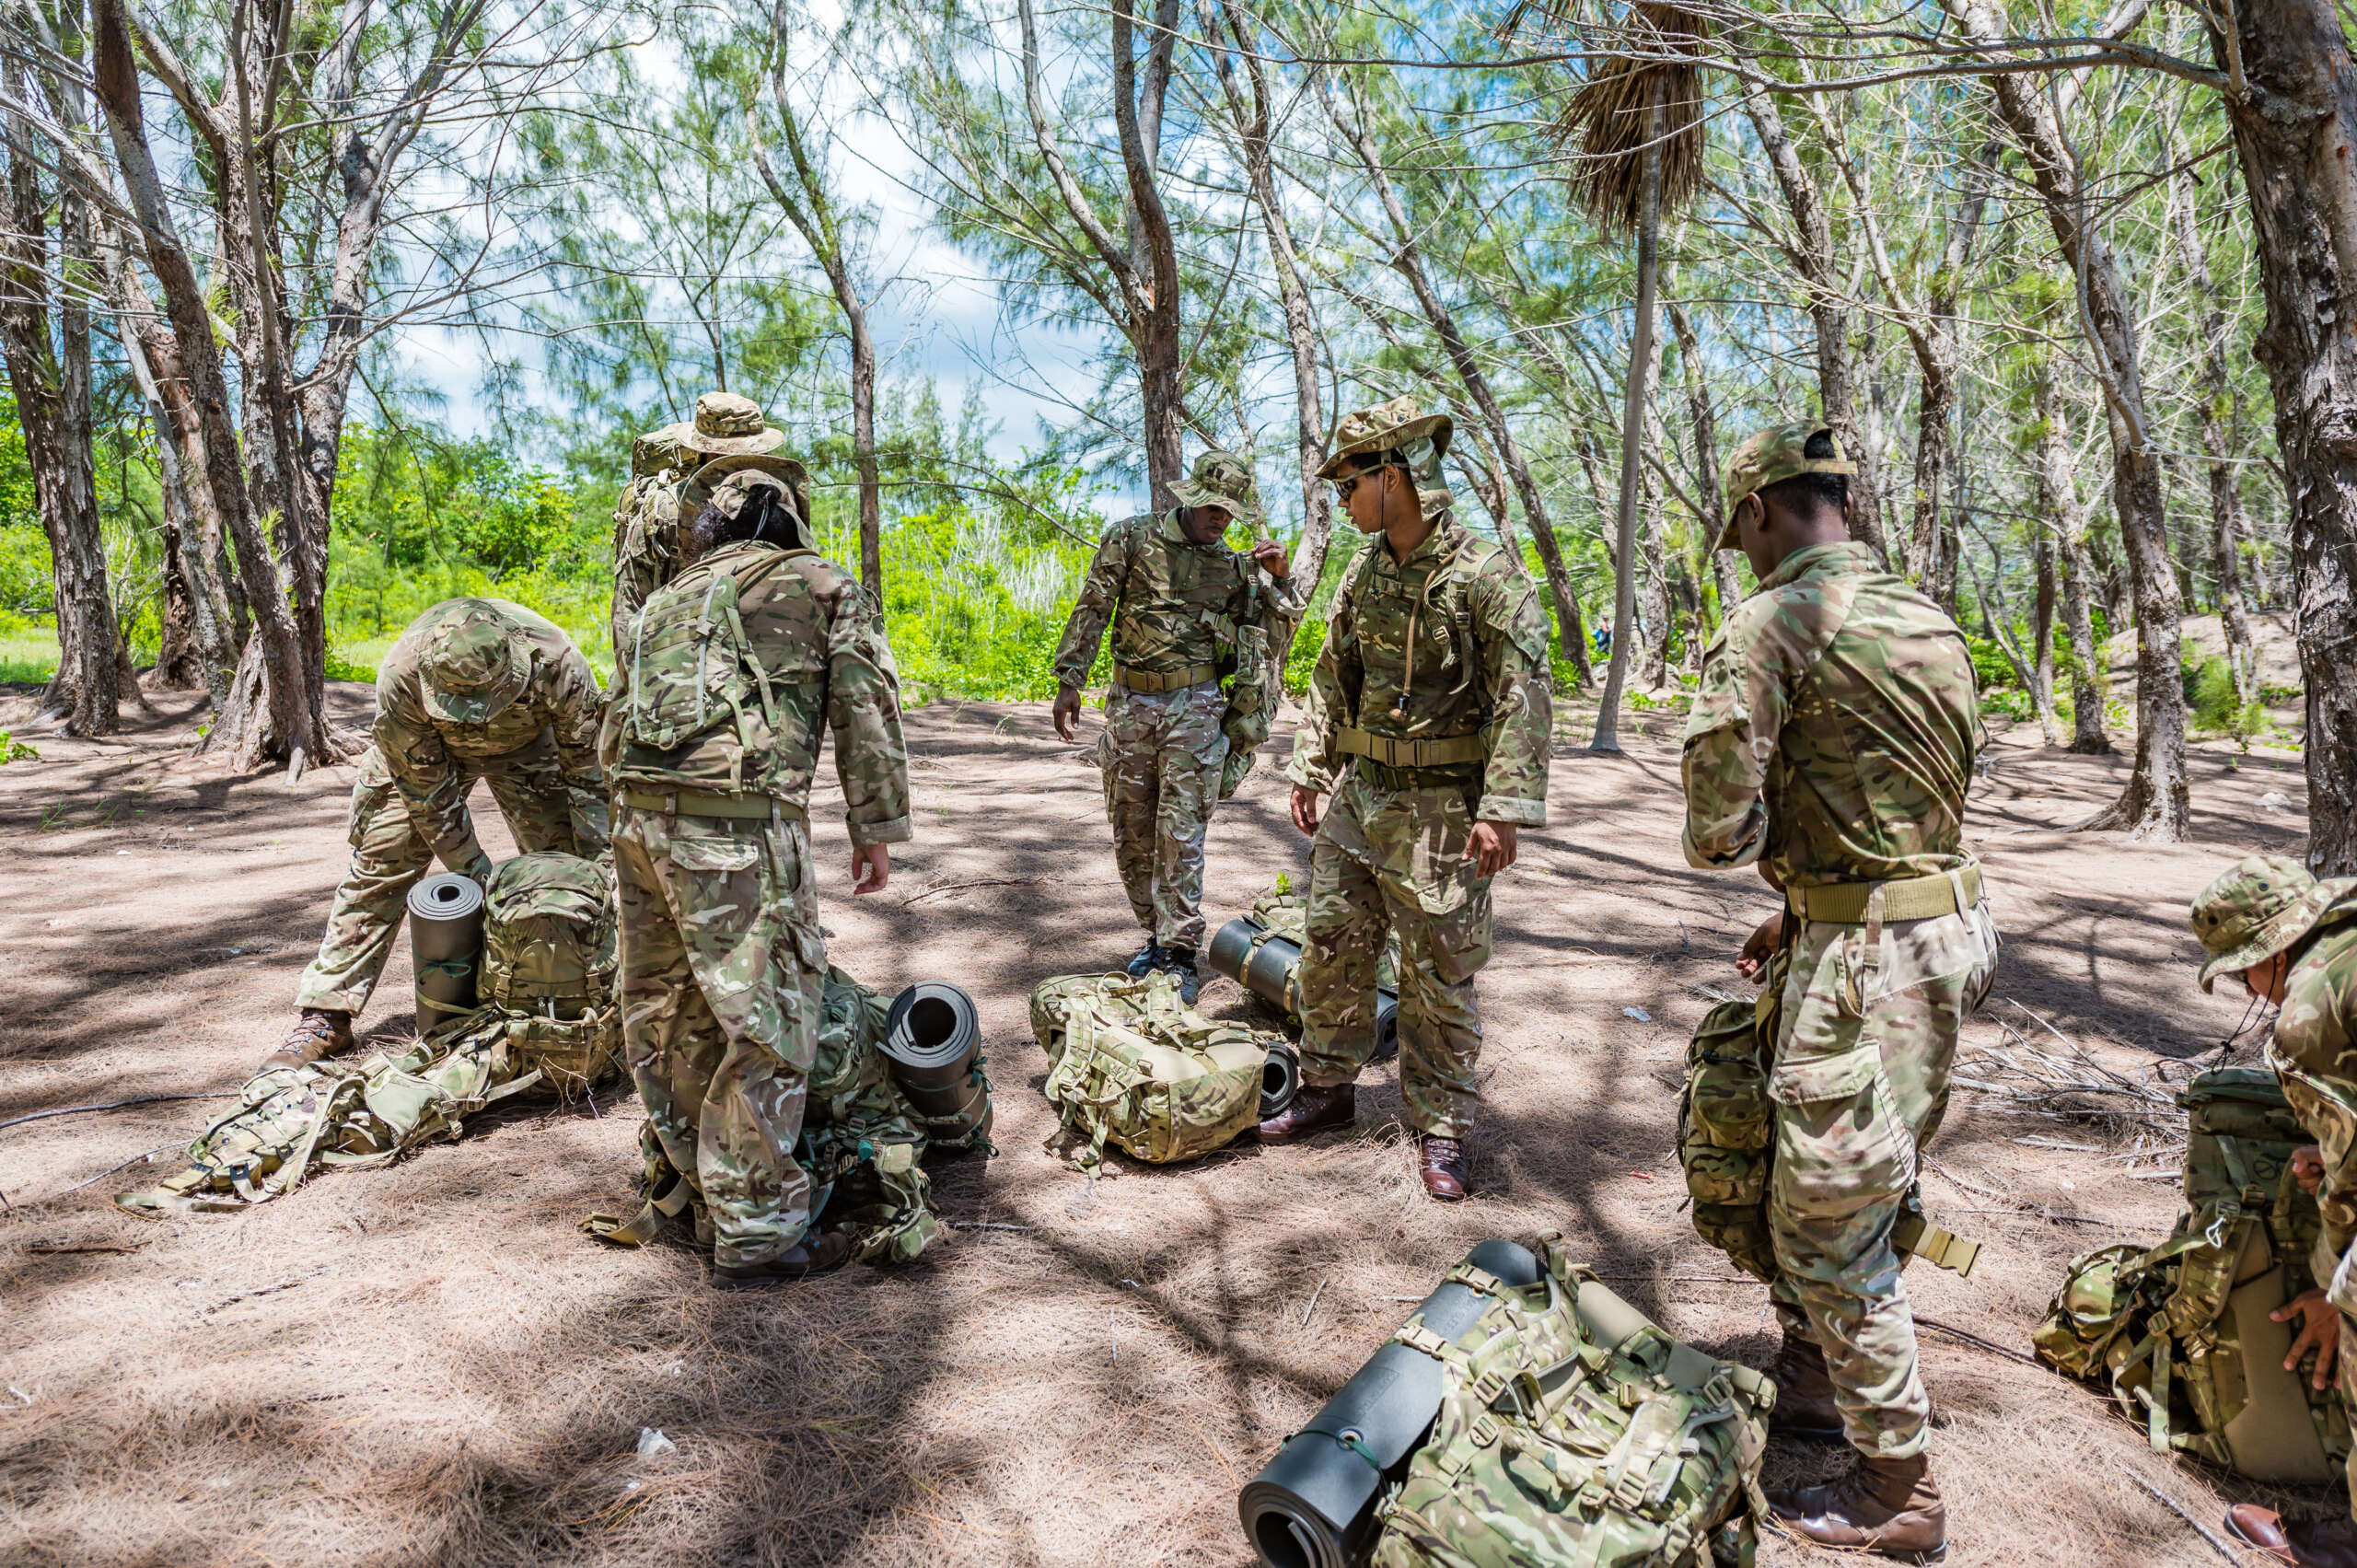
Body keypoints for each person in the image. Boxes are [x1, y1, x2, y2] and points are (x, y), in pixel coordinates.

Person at [1685, 420, 1996, 1562]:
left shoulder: (1773, 622)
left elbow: (1717, 829)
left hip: (1865, 965)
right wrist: (1803, 900)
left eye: (1740, 534)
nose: (1742, 554)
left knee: (1826, 1217)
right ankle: (1815, 1379)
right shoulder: (1930, 617)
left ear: (1761, 510)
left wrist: (1777, 868)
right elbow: (1906, 807)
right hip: (1942, 934)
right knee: (1858, 1177)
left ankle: (1897, 1485)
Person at [603, 463, 910, 1286]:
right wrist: (875, 826)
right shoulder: (819, 582)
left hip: (636, 821)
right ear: (791, 518)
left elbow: (621, 705)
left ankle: (706, 1195)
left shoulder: (671, 595)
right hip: (737, 823)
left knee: (669, 1012)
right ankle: (762, 1228)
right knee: (769, 1021)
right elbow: (865, 702)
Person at [1259, 396, 1551, 1201]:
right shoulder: (1365, 572)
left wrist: (1504, 805)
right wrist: (1312, 766)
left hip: (1443, 810)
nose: (1341, 499)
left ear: (1394, 477)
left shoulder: (1485, 576)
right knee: (1332, 941)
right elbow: (1333, 673)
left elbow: (1520, 694)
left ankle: (1443, 1126)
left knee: (1438, 971)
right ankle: (1326, 1086)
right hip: (1365, 797)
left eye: (1348, 482)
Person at [279, 599, 607, 1071]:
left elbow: (589, 777)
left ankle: (576, 996)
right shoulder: (402, 675)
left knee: (564, 871)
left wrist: (600, 874)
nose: (477, 716)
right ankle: (326, 1012)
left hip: (529, 743)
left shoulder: (555, 660)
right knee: (382, 861)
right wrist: (485, 882)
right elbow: (431, 803)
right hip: (429, 753)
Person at [1050, 449, 1290, 1000]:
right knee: (1131, 828)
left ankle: (1180, 953)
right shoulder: (1130, 538)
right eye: (1213, 508)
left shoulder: (1234, 568)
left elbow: (1272, 639)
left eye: (1229, 514)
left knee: (1181, 833)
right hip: (1130, 704)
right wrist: (1070, 680)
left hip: (1197, 708)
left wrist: (1280, 580)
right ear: (1190, 498)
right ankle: (1153, 938)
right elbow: (1093, 607)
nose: (1221, 520)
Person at [2194, 855, 2357, 1568]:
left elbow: (2350, 1201)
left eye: (2240, 970)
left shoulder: (2306, 1018)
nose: (2246, 987)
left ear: (2272, 951)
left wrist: (2330, 1288)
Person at [610, 391, 791, 653]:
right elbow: (631, 602)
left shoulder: (774, 501)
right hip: (681, 662)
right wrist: (634, 682)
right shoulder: (665, 507)